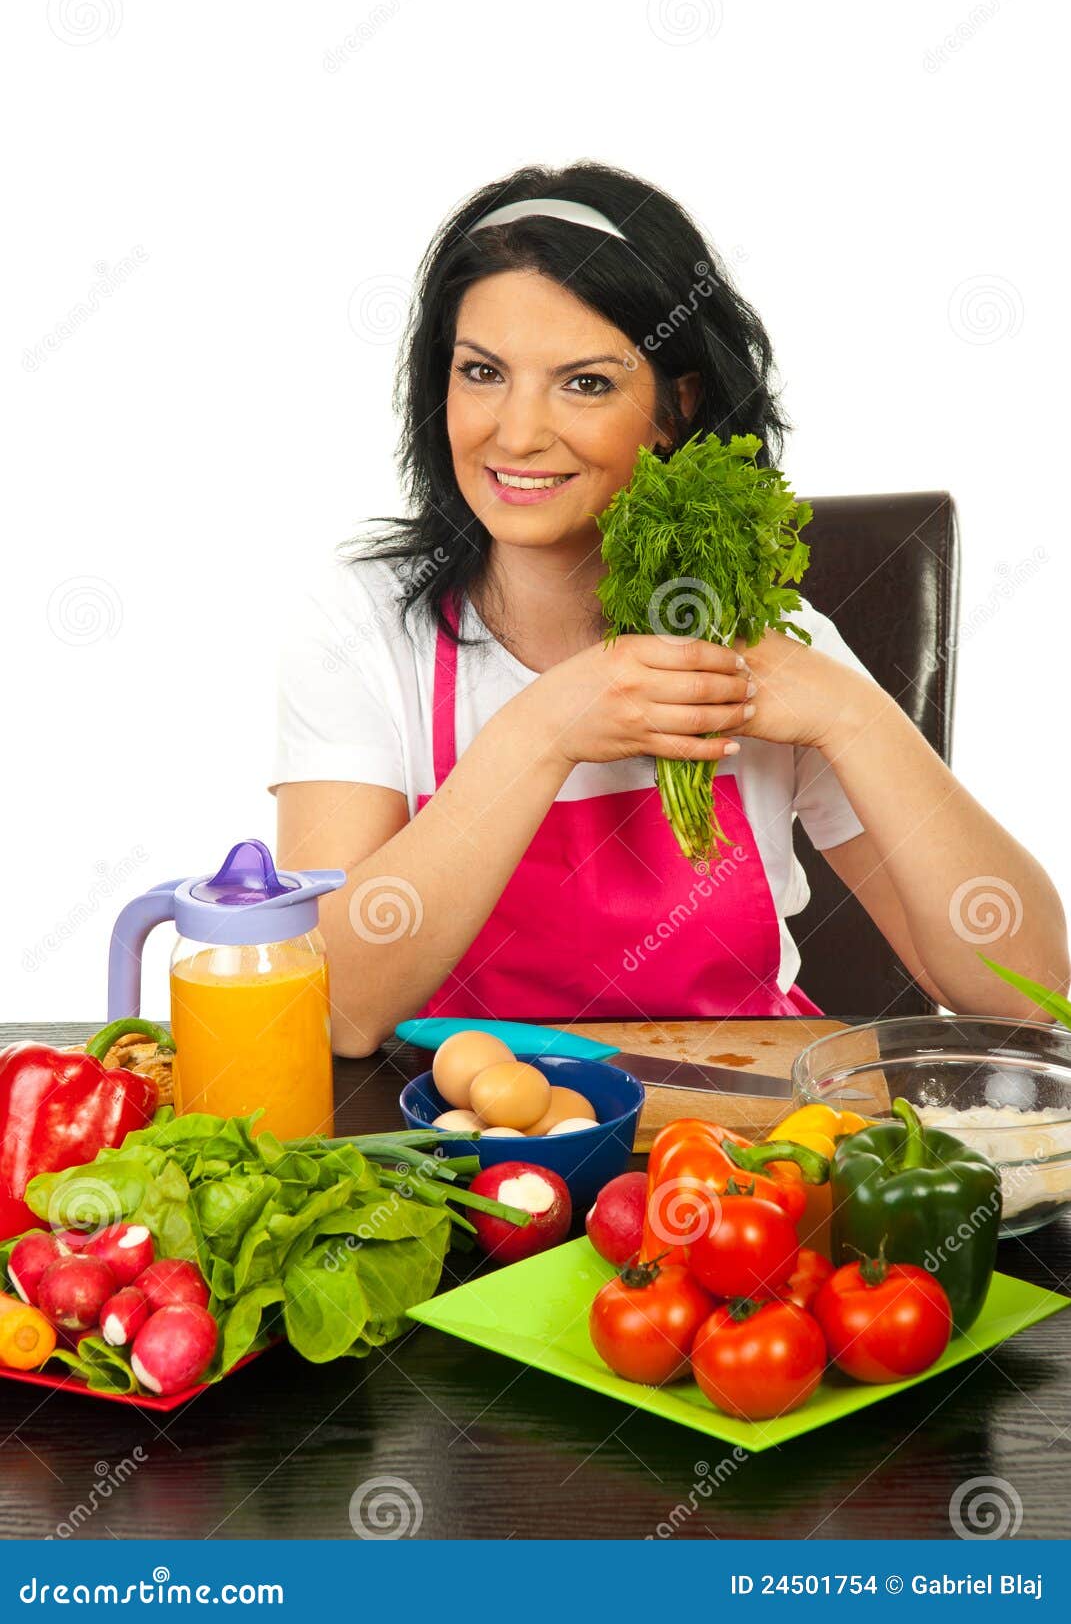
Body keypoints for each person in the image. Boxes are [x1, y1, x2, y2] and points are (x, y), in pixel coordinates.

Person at [270, 162, 1068, 1056]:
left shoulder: (771, 638)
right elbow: (331, 1010)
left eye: (585, 383)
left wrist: (851, 713)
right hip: (453, 1144)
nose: (518, 431)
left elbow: (1026, 994)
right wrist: (544, 730)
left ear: (674, 405)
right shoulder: (366, 622)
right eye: (482, 371)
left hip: (741, 1146)